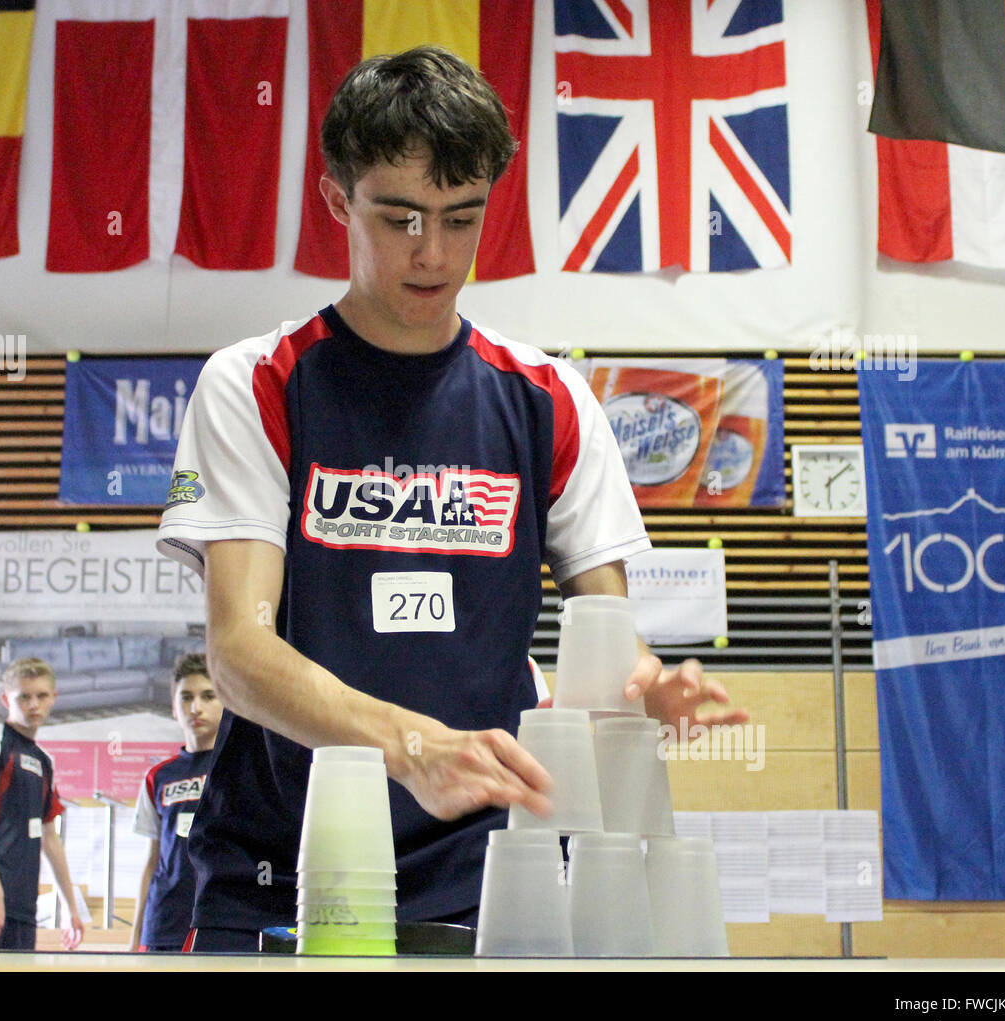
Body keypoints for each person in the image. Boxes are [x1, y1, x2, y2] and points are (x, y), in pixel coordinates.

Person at [156, 45, 746, 952]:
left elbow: (607, 639)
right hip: (277, 878)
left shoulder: (549, 399)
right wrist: (411, 747)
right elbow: (238, 652)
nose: (432, 254)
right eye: (399, 218)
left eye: (460, 219)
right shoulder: (255, 386)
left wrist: (649, 684)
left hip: (487, 883)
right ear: (336, 202)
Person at [0, 657, 85, 951]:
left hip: (23, 909)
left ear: (53, 699)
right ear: (5, 699)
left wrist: (71, 907)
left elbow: (50, 838)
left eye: (41, 696)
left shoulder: (45, 762)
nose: (33, 704)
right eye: (24, 696)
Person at [129, 653, 223, 952]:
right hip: (163, 926)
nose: (196, 707)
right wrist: (134, 939)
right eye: (186, 697)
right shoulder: (157, 777)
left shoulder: (237, 770)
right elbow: (152, 859)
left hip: (216, 922)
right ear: (174, 708)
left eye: (208, 696)